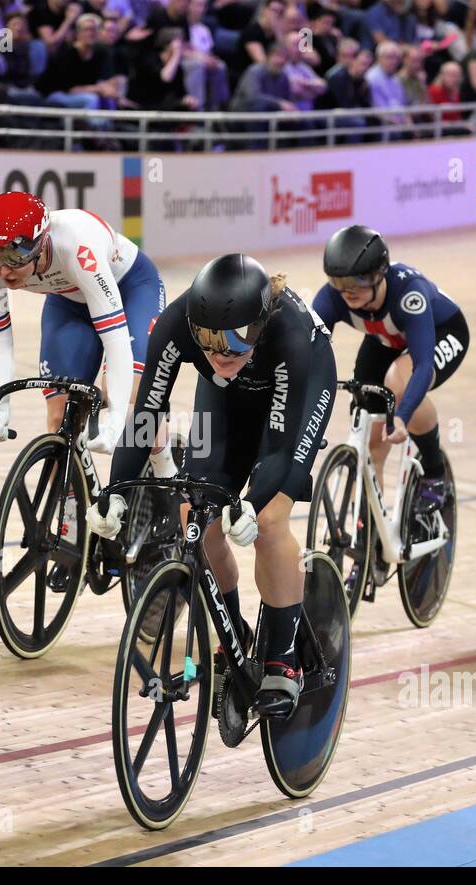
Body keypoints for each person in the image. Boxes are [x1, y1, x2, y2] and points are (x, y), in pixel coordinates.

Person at [88, 256, 335, 718]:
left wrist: (253, 500)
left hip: (297, 394)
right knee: (195, 516)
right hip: (227, 397)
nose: (220, 351)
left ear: (259, 325)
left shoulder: (289, 334)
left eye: (236, 340)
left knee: (267, 520)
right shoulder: (179, 324)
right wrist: (115, 489)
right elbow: (146, 416)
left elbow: (280, 447)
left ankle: (283, 658)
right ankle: (234, 635)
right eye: (207, 340)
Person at [0, 190, 168, 463]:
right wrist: (1, 407)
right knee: (60, 418)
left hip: (131, 288)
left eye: (15, 258)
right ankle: (68, 501)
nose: (4, 271)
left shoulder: (77, 246)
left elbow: (115, 339)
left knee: (127, 398)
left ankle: (166, 472)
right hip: (69, 300)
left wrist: (113, 423)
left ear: (40, 243)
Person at [311, 226, 469, 513]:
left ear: (379, 274)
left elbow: (421, 366)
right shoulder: (330, 298)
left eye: (357, 281)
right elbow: (309, 354)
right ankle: (370, 546)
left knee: (400, 381)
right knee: (370, 446)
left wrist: (403, 415)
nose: (348, 291)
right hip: (385, 340)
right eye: (339, 281)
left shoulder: (409, 293)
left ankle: (435, 472)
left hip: (442, 332)